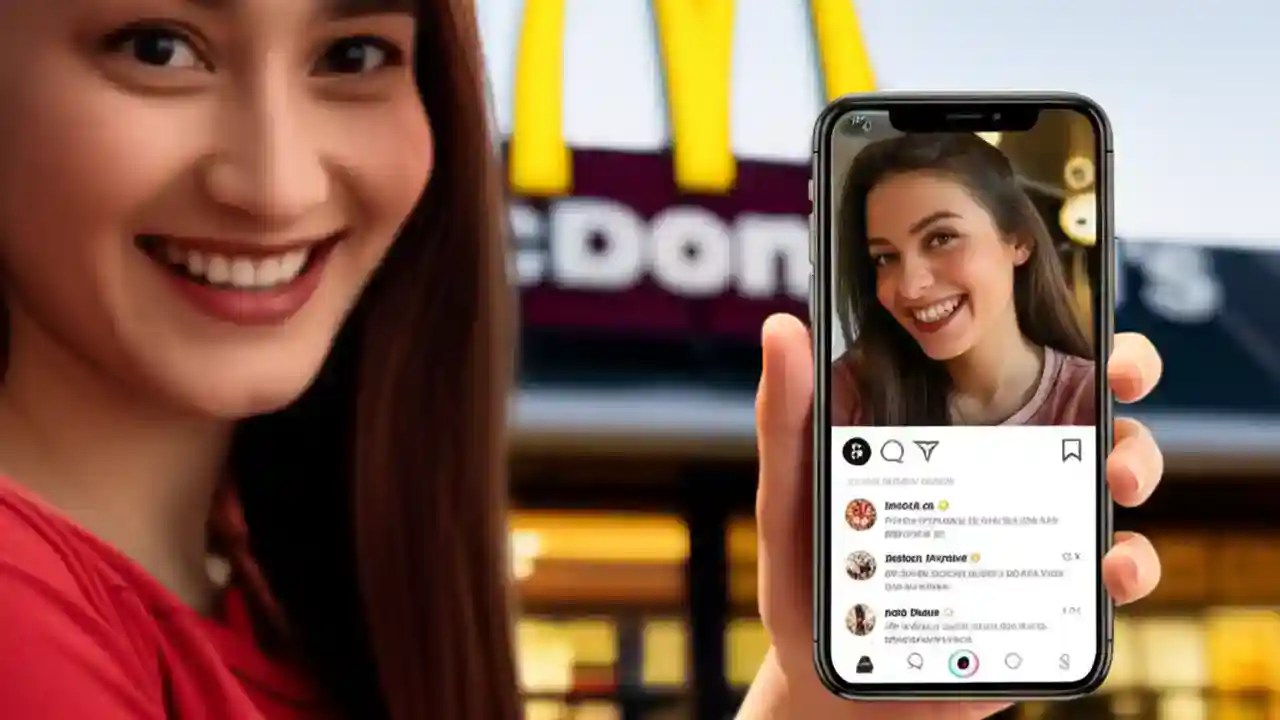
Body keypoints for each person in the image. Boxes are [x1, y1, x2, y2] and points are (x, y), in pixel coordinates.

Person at [0, 1, 1167, 718]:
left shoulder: (277, 579)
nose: (277, 180)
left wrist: (829, 701)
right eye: (158, 46)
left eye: (353, 51)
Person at [832, 133, 1095, 427]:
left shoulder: (1089, 397)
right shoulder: (848, 394)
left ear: (1019, 241)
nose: (910, 286)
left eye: (941, 238)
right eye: (885, 257)